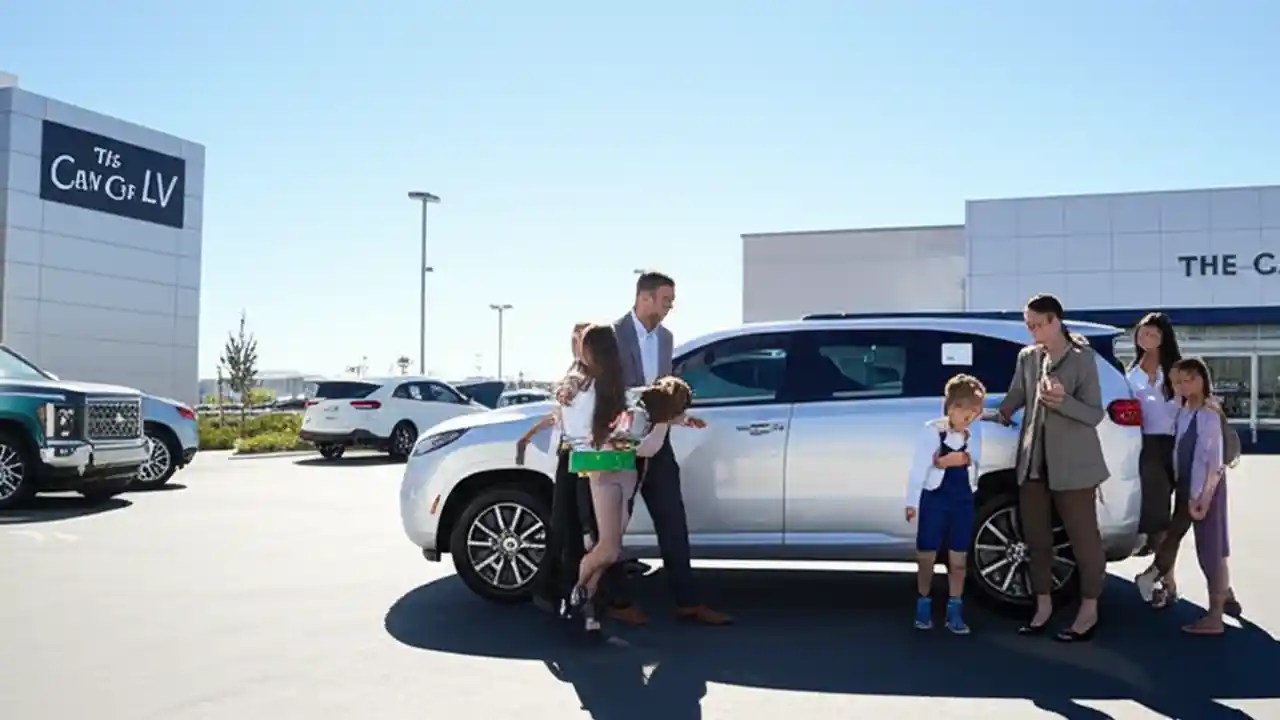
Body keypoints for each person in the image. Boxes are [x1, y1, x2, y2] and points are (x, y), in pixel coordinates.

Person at [599, 271, 731, 627]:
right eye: (666, 299)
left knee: (673, 519)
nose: (671, 306)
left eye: (671, 301)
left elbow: (664, 391)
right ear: (645, 298)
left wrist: (678, 418)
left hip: (657, 442)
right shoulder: (610, 337)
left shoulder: (667, 338)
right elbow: (605, 392)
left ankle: (687, 602)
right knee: (612, 526)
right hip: (621, 443)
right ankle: (617, 600)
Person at [997, 293, 1108, 642]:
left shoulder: (1082, 359)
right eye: (1027, 324)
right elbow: (1016, 395)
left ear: (1054, 321)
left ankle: (1088, 611)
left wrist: (1063, 402)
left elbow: (1094, 413)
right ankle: (1042, 607)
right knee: (1036, 539)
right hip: (1033, 463)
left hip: (1075, 467)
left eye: (1035, 324)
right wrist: (993, 412)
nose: (1030, 330)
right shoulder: (1028, 358)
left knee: (1084, 540)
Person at [567, 375, 695, 634]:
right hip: (606, 479)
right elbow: (645, 448)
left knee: (606, 549)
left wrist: (677, 421)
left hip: (617, 481)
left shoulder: (647, 411)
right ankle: (577, 592)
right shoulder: (641, 416)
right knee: (605, 549)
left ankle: (584, 600)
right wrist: (666, 424)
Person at [905, 374, 986, 634]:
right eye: (967, 410)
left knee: (958, 557)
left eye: (976, 411)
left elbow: (971, 458)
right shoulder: (932, 431)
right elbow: (921, 467)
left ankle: (955, 608)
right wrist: (912, 502)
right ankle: (923, 603)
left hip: (961, 500)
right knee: (927, 554)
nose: (971, 416)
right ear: (952, 408)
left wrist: (953, 459)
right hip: (935, 498)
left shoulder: (974, 433)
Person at [521, 322, 591, 613]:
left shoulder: (588, 373)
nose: (578, 346)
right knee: (568, 525)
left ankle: (559, 590)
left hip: (575, 455)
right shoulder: (577, 374)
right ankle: (559, 591)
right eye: (576, 340)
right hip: (573, 456)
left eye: (582, 340)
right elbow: (563, 403)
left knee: (569, 525)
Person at [1169, 358, 1234, 635]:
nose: (1184, 386)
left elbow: (1214, 461)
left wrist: (1205, 497)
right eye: (1179, 381)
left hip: (1205, 490)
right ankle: (1222, 601)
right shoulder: (1183, 411)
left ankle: (1215, 616)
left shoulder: (1209, 413)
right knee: (1211, 548)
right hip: (1187, 488)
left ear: (1202, 379)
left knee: (1211, 551)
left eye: (1190, 379)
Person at [1122, 313, 1184, 606]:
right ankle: (1165, 580)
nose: (1145, 339)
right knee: (1159, 518)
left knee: (1181, 516)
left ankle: (1164, 577)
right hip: (1147, 446)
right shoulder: (1131, 373)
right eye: (1141, 334)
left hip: (1178, 444)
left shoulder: (1176, 370)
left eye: (1152, 334)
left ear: (1163, 337)